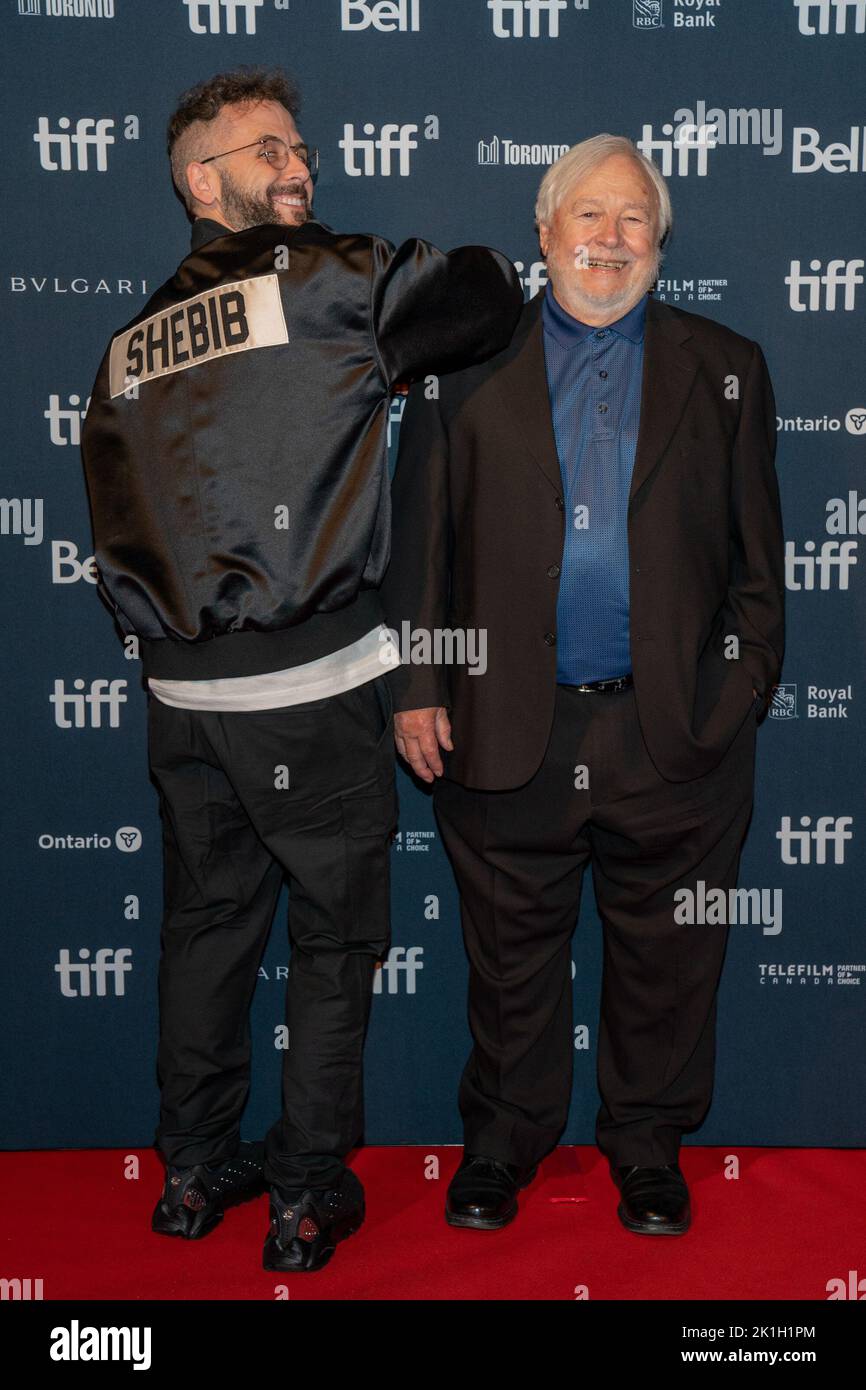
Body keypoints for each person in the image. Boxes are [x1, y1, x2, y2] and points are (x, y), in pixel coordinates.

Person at [79, 65, 522, 1274]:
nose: (297, 166)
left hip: (180, 702)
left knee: (206, 934)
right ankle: (307, 1196)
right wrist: (381, 331)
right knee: (331, 944)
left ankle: (189, 1174)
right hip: (307, 692)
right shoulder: (325, 276)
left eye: (300, 149)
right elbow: (486, 291)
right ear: (198, 181)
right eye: (265, 149)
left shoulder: (123, 348)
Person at [381, 133, 785, 1237]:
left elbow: (758, 565)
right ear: (545, 230)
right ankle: (502, 1143)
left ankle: (648, 1147)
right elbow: (419, 544)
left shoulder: (727, 367)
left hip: (672, 734)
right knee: (509, 960)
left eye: (633, 219)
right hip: (504, 723)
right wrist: (416, 686)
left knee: (668, 960)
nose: (609, 239)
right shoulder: (464, 367)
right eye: (588, 215)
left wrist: (736, 690)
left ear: (659, 242)